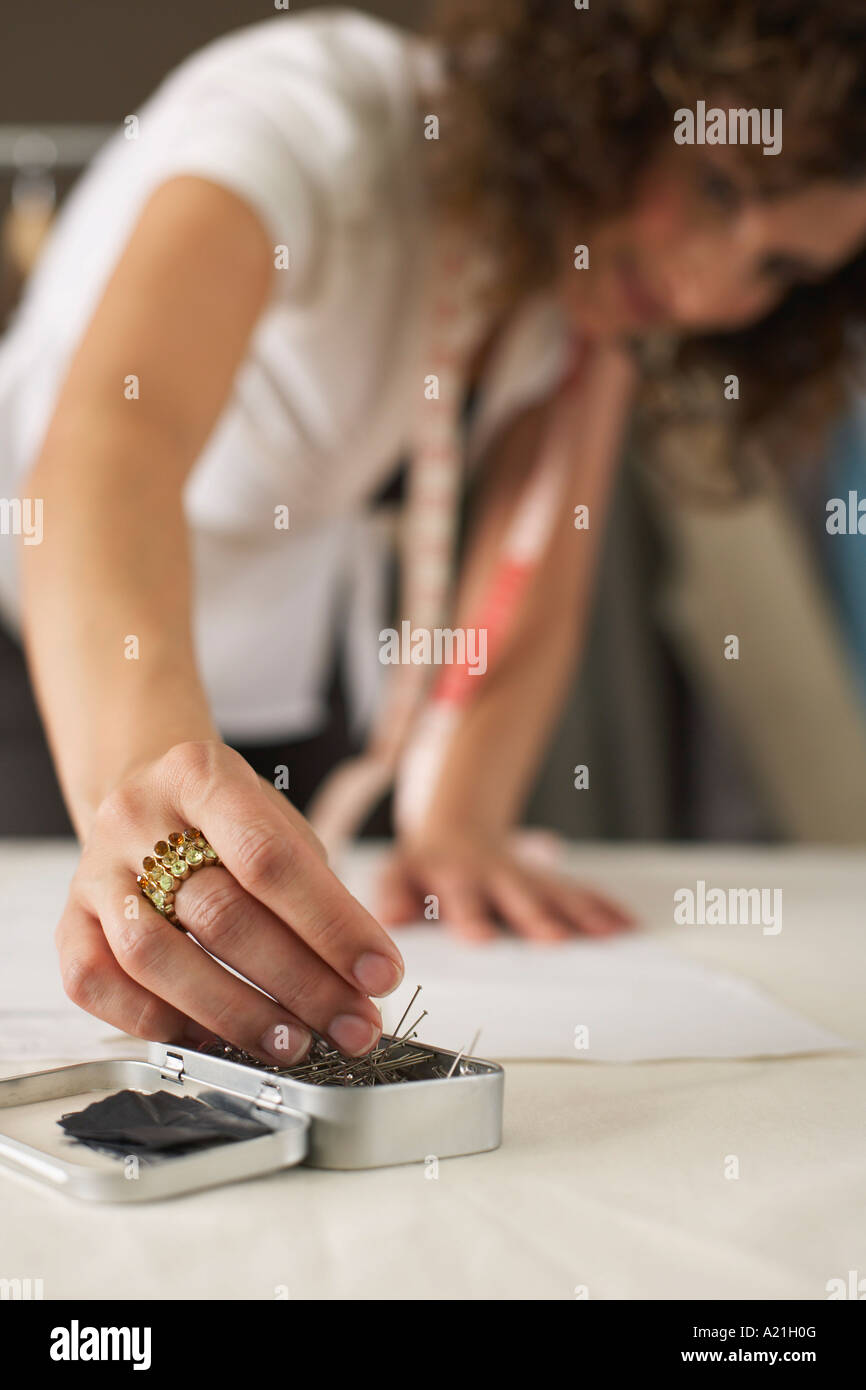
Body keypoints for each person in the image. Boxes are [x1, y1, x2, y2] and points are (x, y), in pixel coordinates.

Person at [0, 1, 864, 1064]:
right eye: (719, 186)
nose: (710, 284)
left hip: (271, 678)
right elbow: (111, 443)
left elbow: (540, 537)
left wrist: (459, 820)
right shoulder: (315, 117)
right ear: (617, 99)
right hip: (55, 642)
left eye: (779, 270)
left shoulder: (584, 292)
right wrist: (148, 776)